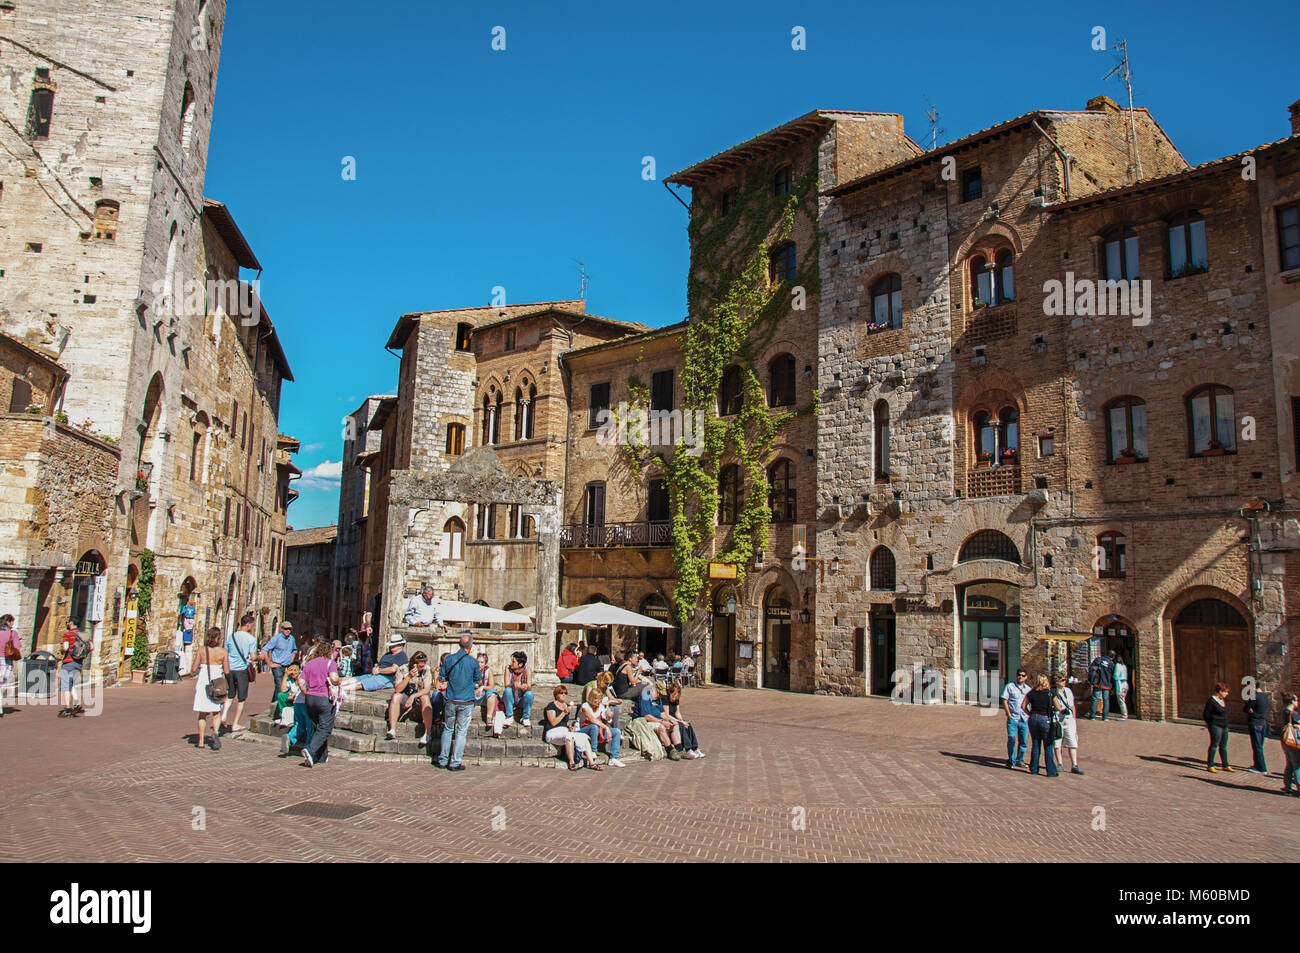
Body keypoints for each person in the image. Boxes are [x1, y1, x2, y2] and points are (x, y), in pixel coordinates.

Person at [437, 634, 482, 771]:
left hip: (451, 698)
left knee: (448, 729)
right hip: (466, 700)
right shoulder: (473, 662)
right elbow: (478, 679)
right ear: (470, 646)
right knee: (461, 731)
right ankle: (455, 762)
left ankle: (443, 760)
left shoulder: (449, 659)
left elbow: (442, 677)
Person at [299, 641, 339, 767]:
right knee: (325, 728)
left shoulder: (309, 663)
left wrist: (306, 692)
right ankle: (310, 750)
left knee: (317, 726)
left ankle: (321, 756)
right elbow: (333, 678)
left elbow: (300, 681)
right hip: (323, 698)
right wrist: (338, 682)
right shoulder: (329, 663)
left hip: (310, 698)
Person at [387, 651, 439, 745]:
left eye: (423, 664)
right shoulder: (403, 669)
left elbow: (427, 689)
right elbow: (398, 689)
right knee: (395, 697)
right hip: (405, 695)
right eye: (420, 666)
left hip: (418, 697)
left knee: (425, 698)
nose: (422, 667)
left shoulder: (427, 670)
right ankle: (392, 729)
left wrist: (413, 696)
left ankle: (428, 733)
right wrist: (408, 677)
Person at [190, 627, 229, 750]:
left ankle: (201, 741)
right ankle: (216, 732)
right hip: (216, 681)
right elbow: (227, 670)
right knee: (216, 712)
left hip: (204, 681)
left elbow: (193, 668)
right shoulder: (223, 652)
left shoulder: (202, 650)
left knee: (202, 713)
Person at [544, 685, 600, 771]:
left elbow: (563, 723)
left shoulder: (566, 705)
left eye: (565, 693)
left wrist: (569, 726)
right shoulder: (551, 705)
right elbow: (553, 722)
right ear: (556, 694)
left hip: (564, 731)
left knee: (584, 737)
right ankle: (571, 762)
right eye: (561, 693)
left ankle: (591, 763)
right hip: (552, 731)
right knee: (569, 737)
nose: (564, 695)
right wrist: (564, 712)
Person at [222, 612, 258, 732]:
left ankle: (224, 715)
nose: (252, 627)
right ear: (247, 625)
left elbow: (226, 652)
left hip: (230, 669)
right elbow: (253, 657)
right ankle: (235, 723)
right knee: (241, 698)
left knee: (230, 694)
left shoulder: (231, 636)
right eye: (252, 625)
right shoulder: (251, 639)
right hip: (241, 670)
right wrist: (260, 657)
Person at [1019, 674, 1059, 777]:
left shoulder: (1031, 693)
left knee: (1036, 744)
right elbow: (1058, 707)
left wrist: (1030, 713)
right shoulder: (1050, 693)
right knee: (1048, 745)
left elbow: (1023, 706)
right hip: (1045, 719)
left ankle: (1034, 768)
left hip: (1033, 718)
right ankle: (1051, 771)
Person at [635, 680, 683, 760]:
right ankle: (670, 750)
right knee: (661, 727)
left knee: (675, 725)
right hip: (644, 721)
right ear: (654, 690)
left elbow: (662, 713)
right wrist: (662, 722)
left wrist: (670, 719)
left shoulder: (658, 698)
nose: (660, 696)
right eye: (659, 694)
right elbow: (647, 716)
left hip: (656, 719)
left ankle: (679, 749)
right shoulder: (645, 696)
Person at [342, 635, 408, 693]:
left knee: (361, 684)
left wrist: (379, 671)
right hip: (375, 674)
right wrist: (375, 668)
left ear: (400, 645)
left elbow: (393, 669)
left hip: (386, 678)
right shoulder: (387, 654)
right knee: (353, 680)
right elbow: (379, 664)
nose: (391, 647)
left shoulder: (401, 655)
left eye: (394, 645)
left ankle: (341, 689)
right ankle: (338, 686)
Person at [579, 685, 624, 767]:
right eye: (597, 699)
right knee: (594, 726)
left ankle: (614, 758)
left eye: (600, 699)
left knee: (616, 732)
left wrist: (609, 717)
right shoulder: (585, 706)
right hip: (583, 730)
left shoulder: (601, 707)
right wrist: (606, 728)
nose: (599, 701)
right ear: (592, 698)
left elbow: (606, 721)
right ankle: (593, 751)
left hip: (598, 732)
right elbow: (592, 719)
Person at [1050, 672, 1083, 774]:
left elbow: (1072, 705)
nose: (1064, 682)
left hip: (1069, 719)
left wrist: (1073, 717)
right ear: (1057, 682)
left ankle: (1074, 764)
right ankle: (1059, 763)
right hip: (1058, 719)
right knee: (1057, 741)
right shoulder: (1052, 692)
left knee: (1072, 741)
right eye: (1062, 680)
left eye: (1064, 680)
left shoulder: (1068, 691)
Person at [58, 620, 91, 717]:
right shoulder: (83, 635)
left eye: (68, 621)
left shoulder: (68, 634)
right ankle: (76, 702)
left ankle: (68, 708)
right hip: (79, 663)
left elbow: (65, 647)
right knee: (71, 683)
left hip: (69, 662)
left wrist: (62, 650)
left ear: (70, 623)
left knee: (65, 685)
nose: (67, 623)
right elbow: (91, 647)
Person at [665, 681, 704, 758]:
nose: (674, 699)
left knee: (688, 724)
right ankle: (688, 749)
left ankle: (695, 748)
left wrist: (682, 720)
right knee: (681, 725)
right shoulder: (665, 698)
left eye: (676, 698)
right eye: (673, 697)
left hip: (675, 718)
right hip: (669, 719)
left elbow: (677, 713)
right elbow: (667, 715)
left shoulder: (676, 700)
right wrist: (681, 722)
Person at [1000, 668, 1030, 769]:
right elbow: (1004, 699)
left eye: (1022, 675)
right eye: (1018, 675)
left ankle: (1020, 760)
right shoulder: (1010, 686)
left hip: (1024, 718)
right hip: (1013, 717)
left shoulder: (1028, 690)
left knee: (1023, 741)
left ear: (1026, 677)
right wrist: (1008, 714)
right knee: (1012, 738)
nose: (1020, 677)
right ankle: (1011, 760)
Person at [260, 620, 297, 702]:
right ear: (281, 629)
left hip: (287, 666)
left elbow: (294, 650)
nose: (288, 631)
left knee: (285, 686)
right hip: (277, 666)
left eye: (290, 629)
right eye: (286, 628)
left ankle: (274, 704)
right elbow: (264, 650)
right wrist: (269, 663)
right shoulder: (276, 639)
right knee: (280, 685)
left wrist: (291, 660)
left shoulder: (292, 639)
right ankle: (276, 706)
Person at [1203, 681, 1234, 773]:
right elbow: (1206, 714)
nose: (1227, 694)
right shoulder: (1211, 701)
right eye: (1225, 692)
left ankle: (1225, 765)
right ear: (1220, 691)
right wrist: (1209, 724)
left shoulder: (1222, 700)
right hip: (1215, 726)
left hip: (1224, 726)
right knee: (1214, 745)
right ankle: (1210, 765)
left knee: (1223, 746)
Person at [1244, 678, 1270, 774]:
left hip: (1255, 723)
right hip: (1263, 723)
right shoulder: (1264, 696)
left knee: (1257, 746)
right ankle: (1257, 764)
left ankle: (1262, 768)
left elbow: (1246, 708)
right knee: (1259, 745)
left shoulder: (1254, 696)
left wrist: (1250, 709)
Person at [502, 651, 534, 727]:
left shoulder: (527, 670)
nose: (511, 663)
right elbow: (506, 684)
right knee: (507, 690)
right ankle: (509, 715)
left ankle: (525, 717)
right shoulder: (508, 669)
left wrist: (522, 686)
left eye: (514, 662)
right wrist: (514, 685)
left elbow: (529, 686)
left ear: (520, 664)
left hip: (521, 698)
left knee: (529, 694)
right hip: (511, 697)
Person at [474, 652, 502, 736]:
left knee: (492, 693)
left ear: (485, 663)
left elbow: (491, 686)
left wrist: (482, 687)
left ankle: (489, 717)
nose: (479, 664)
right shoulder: (472, 670)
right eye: (478, 662)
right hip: (473, 695)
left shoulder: (488, 671)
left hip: (484, 696)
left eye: (482, 662)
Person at [0, 613, 22, 716]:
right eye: (12, 621)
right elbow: (17, 646)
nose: (13, 623)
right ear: (7, 622)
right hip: (6, 660)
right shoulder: (13, 634)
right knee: (4, 684)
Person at [1281, 694, 1300, 796]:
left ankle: (1287, 787)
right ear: (1292, 701)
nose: (1297, 702)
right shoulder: (1294, 714)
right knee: (1297, 766)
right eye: (1296, 700)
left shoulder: (1285, 711)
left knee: (1289, 765)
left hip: (1286, 741)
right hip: (1294, 742)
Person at [1087, 651, 1115, 720]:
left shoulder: (1098, 659)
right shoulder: (1111, 664)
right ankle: (1105, 717)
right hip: (1107, 684)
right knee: (1106, 700)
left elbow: (1090, 669)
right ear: (1113, 657)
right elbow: (1113, 675)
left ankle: (1092, 716)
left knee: (1095, 699)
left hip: (1097, 683)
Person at [1112, 651, 1130, 721]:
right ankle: (1124, 714)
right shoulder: (1124, 666)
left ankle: (1124, 715)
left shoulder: (1117, 665)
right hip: (1125, 684)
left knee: (1121, 700)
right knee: (1123, 700)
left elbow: (1116, 676)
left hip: (1120, 684)